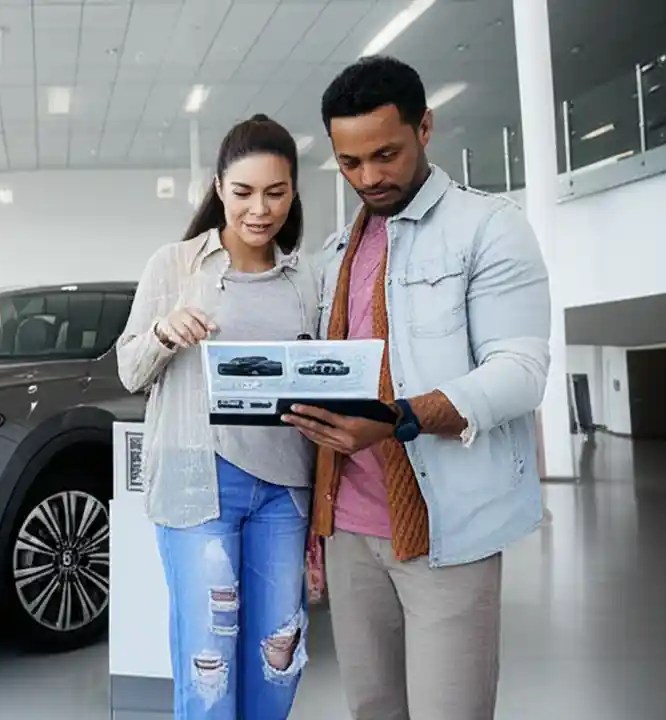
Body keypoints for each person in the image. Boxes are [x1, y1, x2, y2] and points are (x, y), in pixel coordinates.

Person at [281, 56, 552, 720]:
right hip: (347, 526)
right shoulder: (337, 250)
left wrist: (399, 417)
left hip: (446, 528)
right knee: (372, 709)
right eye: (350, 163)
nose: (369, 177)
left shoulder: (489, 227)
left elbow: (521, 372)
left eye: (386, 154)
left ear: (425, 127)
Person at [117, 114, 319, 720]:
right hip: (199, 485)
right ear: (219, 188)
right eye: (243, 192)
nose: (260, 209)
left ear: (294, 192)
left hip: (286, 488)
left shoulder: (308, 278)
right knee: (212, 668)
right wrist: (163, 331)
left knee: (276, 660)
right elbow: (130, 370)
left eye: (276, 192)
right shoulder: (175, 267)